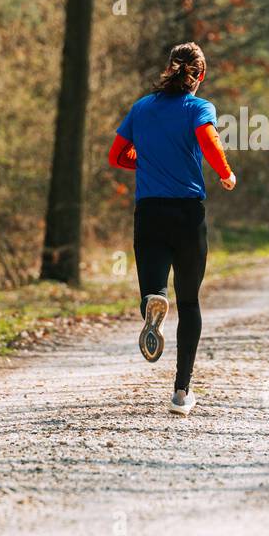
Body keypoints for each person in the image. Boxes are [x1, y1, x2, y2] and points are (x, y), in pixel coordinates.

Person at [108, 42, 236, 416]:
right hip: (187, 213)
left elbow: (117, 155)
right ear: (200, 76)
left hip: (149, 212)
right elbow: (209, 142)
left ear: (169, 69)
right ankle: (181, 392)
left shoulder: (142, 108)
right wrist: (225, 174)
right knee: (191, 301)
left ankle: (152, 304)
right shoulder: (199, 107)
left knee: (152, 287)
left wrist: (148, 161)